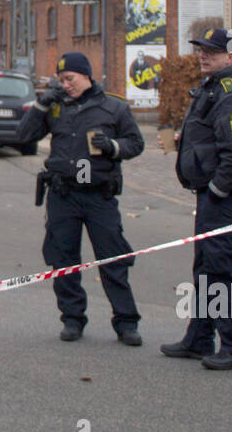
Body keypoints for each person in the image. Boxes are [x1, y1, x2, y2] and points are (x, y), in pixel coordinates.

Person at [18, 52, 146, 345]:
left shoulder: (114, 107)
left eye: (70, 79)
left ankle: (126, 322)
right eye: (61, 80)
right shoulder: (55, 107)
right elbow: (23, 135)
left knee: (113, 259)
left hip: (98, 195)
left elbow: (136, 143)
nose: (66, 85)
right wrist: (40, 105)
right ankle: (72, 318)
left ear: (86, 75)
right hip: (64, 194)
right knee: (64, 260)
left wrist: (113, 146)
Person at [159, 27, 232, 370]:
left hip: (223, 197)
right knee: (205, 267)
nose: (203, 55)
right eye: (202, 49)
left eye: (212, 51)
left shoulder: (230, 94)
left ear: (231, 56)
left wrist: (216, 191)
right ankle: (199, 339)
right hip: (210, 195)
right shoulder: (212, 88)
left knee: (220, 270)